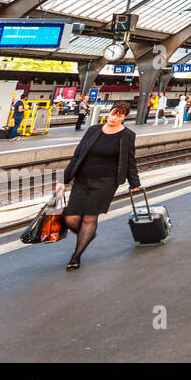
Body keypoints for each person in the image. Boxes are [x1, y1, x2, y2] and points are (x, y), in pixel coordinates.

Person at [54, 100, 141, 270]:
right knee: (70, 218)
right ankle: (87, 234)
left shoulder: (127, 135)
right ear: (109, 112)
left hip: (106, 182)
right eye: (112, 113)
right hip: (82, 179)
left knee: (89, 218)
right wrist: (63, 180)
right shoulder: (94, 130)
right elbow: (77, 155)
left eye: (119, 115)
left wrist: (134, 183)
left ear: (124, 118)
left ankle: (76, 256)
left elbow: (130, 161)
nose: (113, 118)